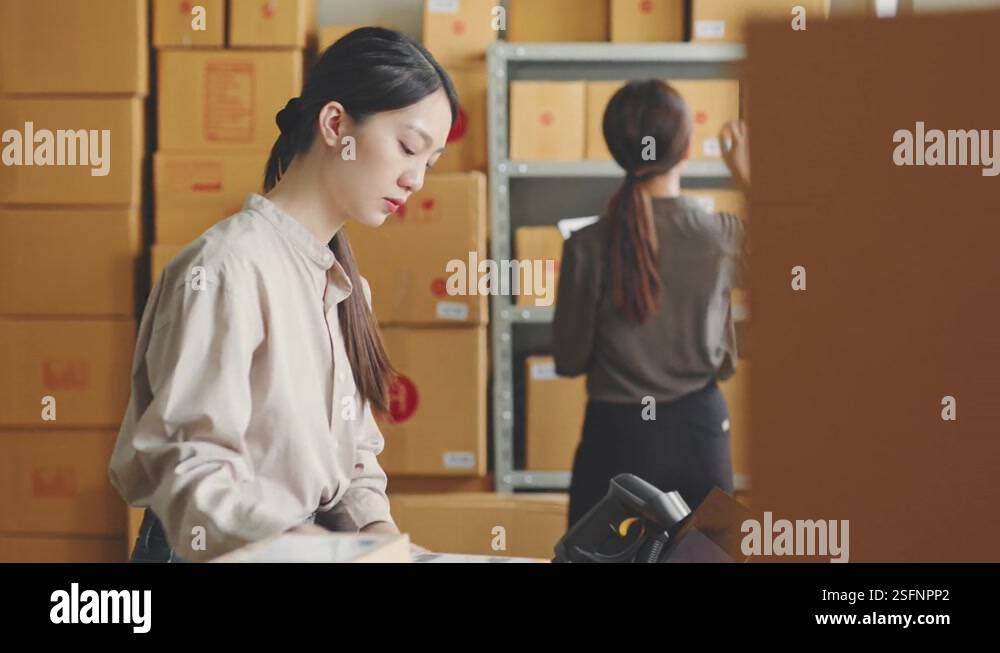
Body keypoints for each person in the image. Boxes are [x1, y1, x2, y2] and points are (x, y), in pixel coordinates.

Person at [110, 28, 457, 562]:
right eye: (409, 147)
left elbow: (356, 459)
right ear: (335, 124)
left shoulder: (344, 285)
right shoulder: (228, 268)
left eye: (428, 164)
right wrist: (286, 541)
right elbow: (184, 460)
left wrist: (385, 545)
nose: (415, 179)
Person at [553, 79, 751, 527]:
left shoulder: (586, 244)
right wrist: (747, 178)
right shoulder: (720, 236)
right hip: (699, 435)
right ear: (686, 148)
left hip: (615, 437)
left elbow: (568, 358)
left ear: (617, 150)